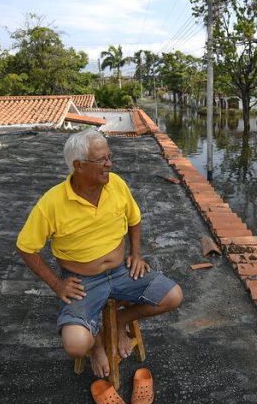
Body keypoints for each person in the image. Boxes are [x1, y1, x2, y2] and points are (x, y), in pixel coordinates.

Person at [16, 129, 183, 378]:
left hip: (122, 271)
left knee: (173, 296)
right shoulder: (51, 203)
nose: (109, 164)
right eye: (102, 159)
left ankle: (121, 320)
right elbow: (26, 247)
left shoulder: (116, 185)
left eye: (109, 156)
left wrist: (136, 254)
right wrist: (56, 284)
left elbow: (134, 220)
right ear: (79, 165)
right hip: (83, 282)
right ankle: (96, 346)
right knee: (75, 345)